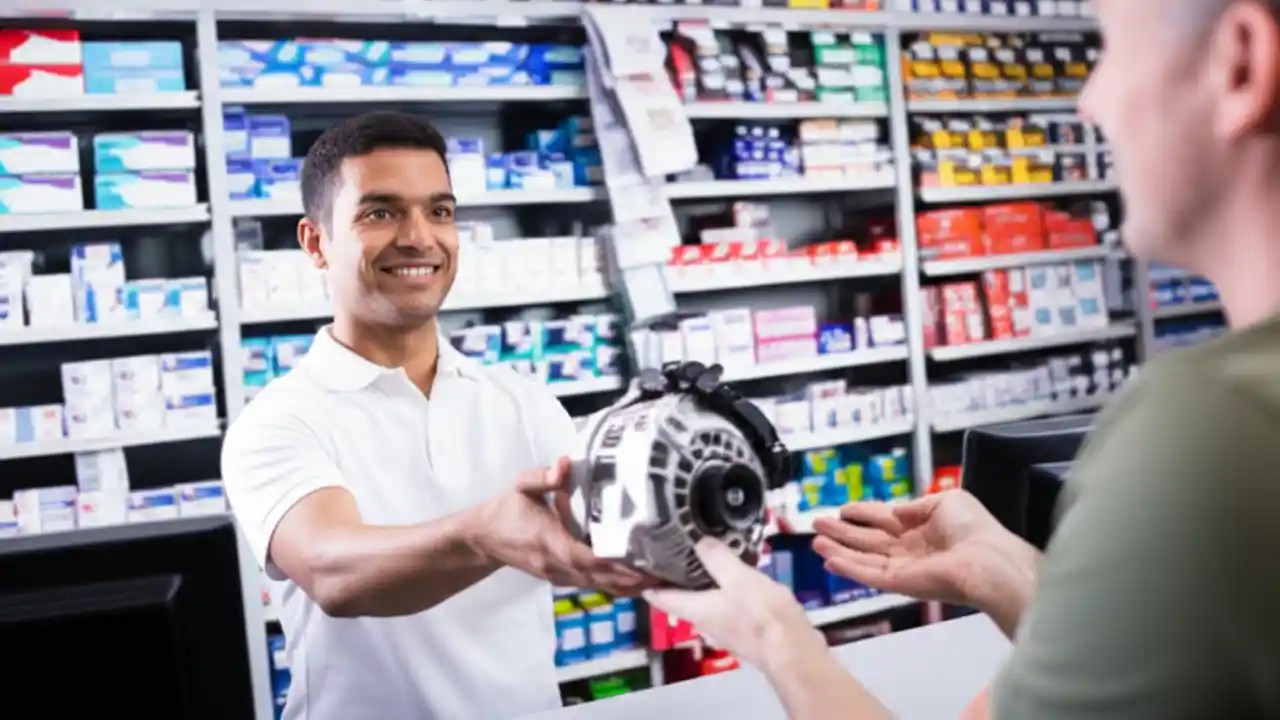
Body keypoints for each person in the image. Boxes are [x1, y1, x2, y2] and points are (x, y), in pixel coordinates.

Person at [646, 0, 1280, 717]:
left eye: (1111, 49)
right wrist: (1006, 570)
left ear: (1241, 64)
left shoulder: (1212, 430)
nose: (1090, 100)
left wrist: (775, 635)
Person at [220, 111, 652, 720]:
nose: (420, 237)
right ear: (315, 243)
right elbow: (331, 569)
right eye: (381, 212)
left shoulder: (521, 402)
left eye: (440, 211)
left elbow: (604, 537)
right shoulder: (278, 421)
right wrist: (484, 533)